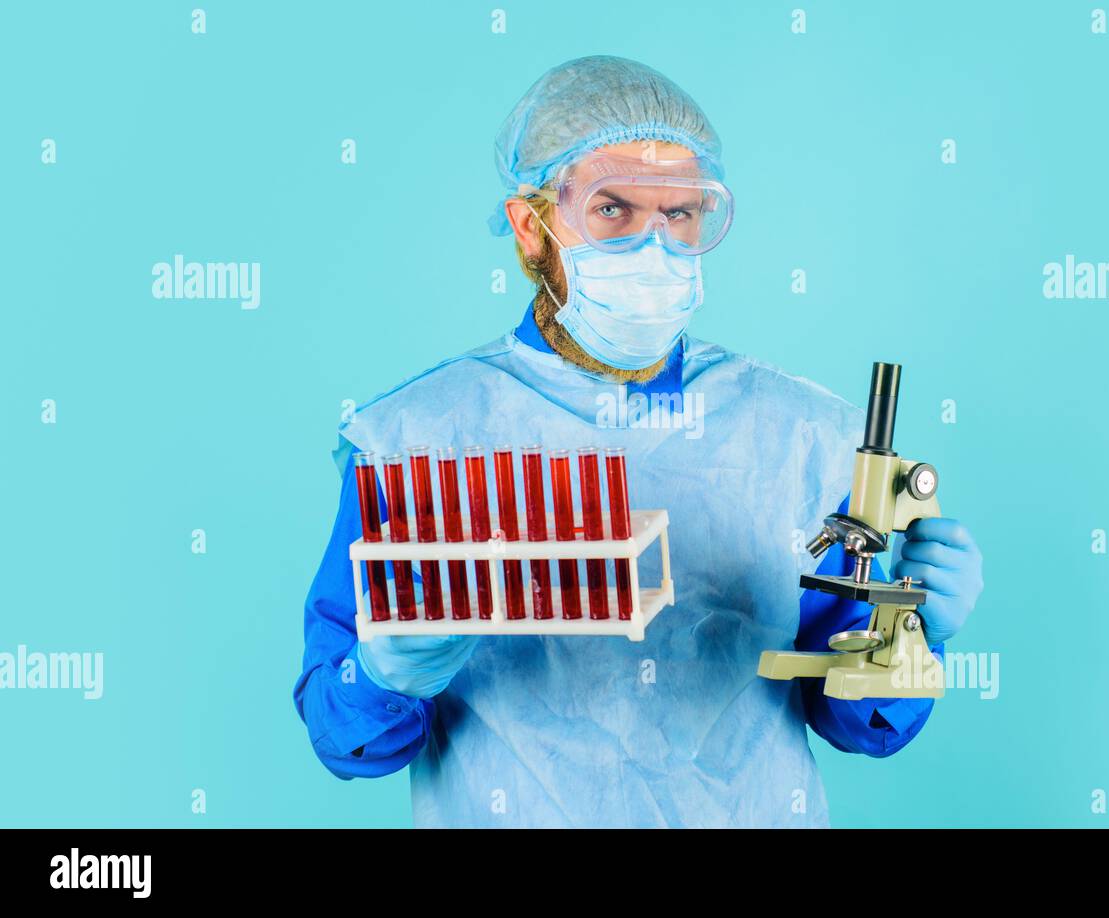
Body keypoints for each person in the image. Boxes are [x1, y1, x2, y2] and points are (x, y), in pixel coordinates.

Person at [294, 55, 984, 828]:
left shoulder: (799, 434)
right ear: (532, 228)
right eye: (613, 210)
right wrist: (385, 674)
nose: (654, 247)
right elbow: (342, 737)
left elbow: (858, 721)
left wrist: (911, 641)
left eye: (681, 215)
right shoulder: (413, 440)